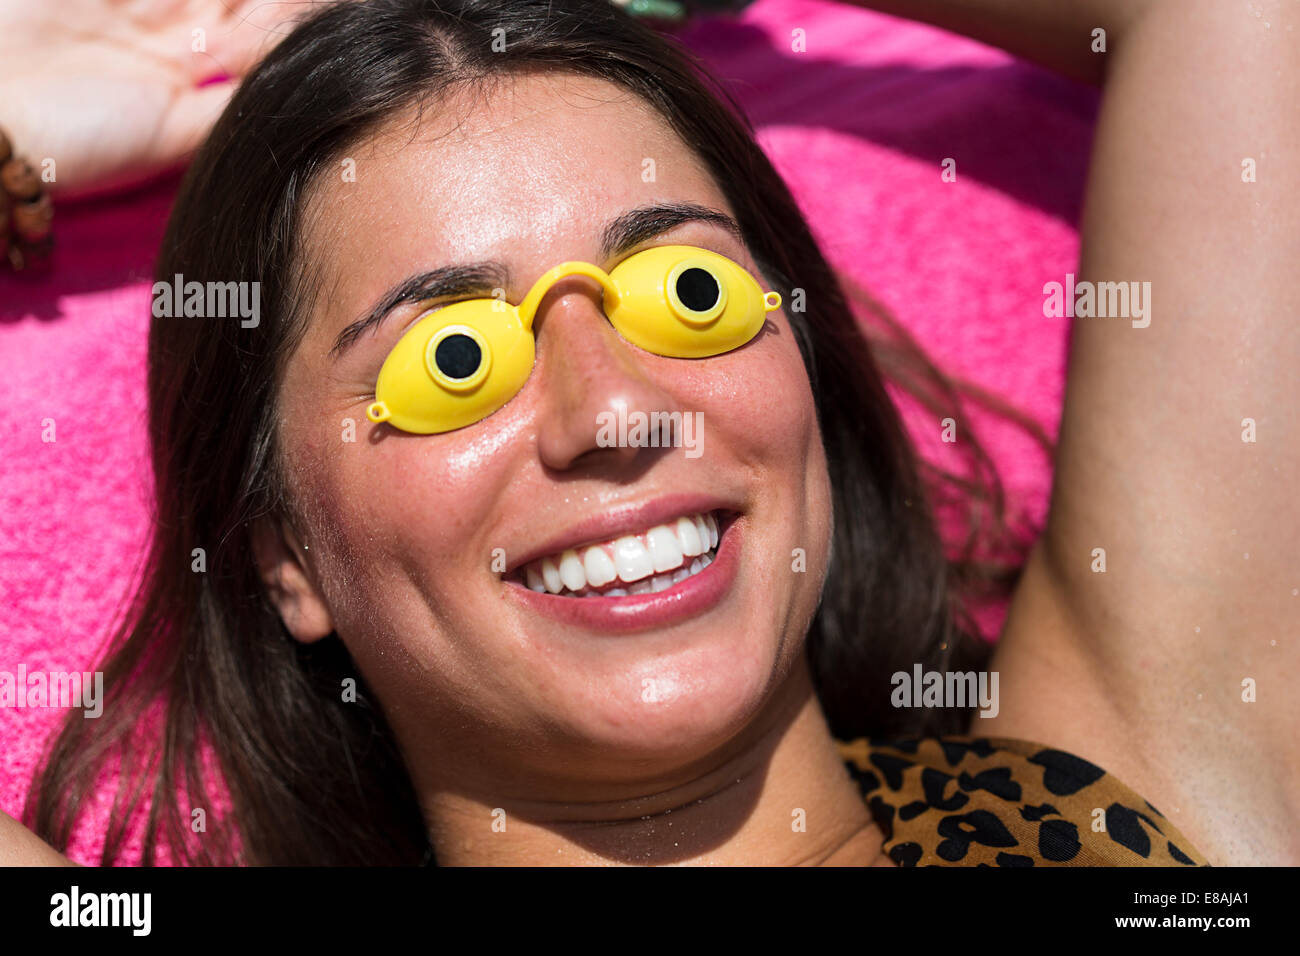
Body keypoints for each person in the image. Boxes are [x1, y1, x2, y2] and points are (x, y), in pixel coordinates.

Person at [2, 0, 1296, 867]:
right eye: (455, 360)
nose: (613, 410)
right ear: (284, 558)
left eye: (691, 296)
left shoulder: (1137, 767)